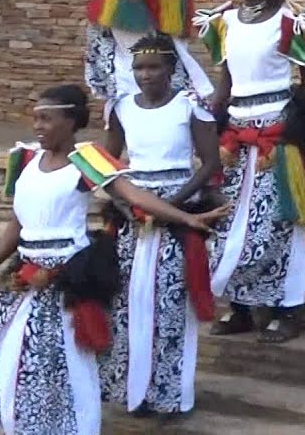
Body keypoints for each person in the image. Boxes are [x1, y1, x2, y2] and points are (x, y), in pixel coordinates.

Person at [0, 84, 228, 435]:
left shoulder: (87, 161)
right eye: (35, 119)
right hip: (25, 278)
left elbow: (133, 195)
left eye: (47, 119)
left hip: (68, 280)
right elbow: (19, 220)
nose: (38, 126)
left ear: (71, 122)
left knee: (68, 362)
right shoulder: (24, 159)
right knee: (14, 358)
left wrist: (186, 218)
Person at [194, 0, 305, 344]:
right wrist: (208, 120)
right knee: (230, 218)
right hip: (236, 133)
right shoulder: (224, 23)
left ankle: (287, 310)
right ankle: (242, 309)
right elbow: (226, 82)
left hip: (278, 133)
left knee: (280, 221)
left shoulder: (291, 21)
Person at [97, 34, 220, 418]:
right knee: (128, 304)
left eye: (153, 67)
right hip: (132, 216)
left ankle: (172, 395)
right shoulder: (120, 109)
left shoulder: (189, 108)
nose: (145, 75)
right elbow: (107, 165)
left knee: (169, 307)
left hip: (178, 210)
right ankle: (134, 391)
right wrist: (125, 202)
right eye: (138, 68)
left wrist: (171, 205)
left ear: (171, 69)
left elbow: (211, 164)